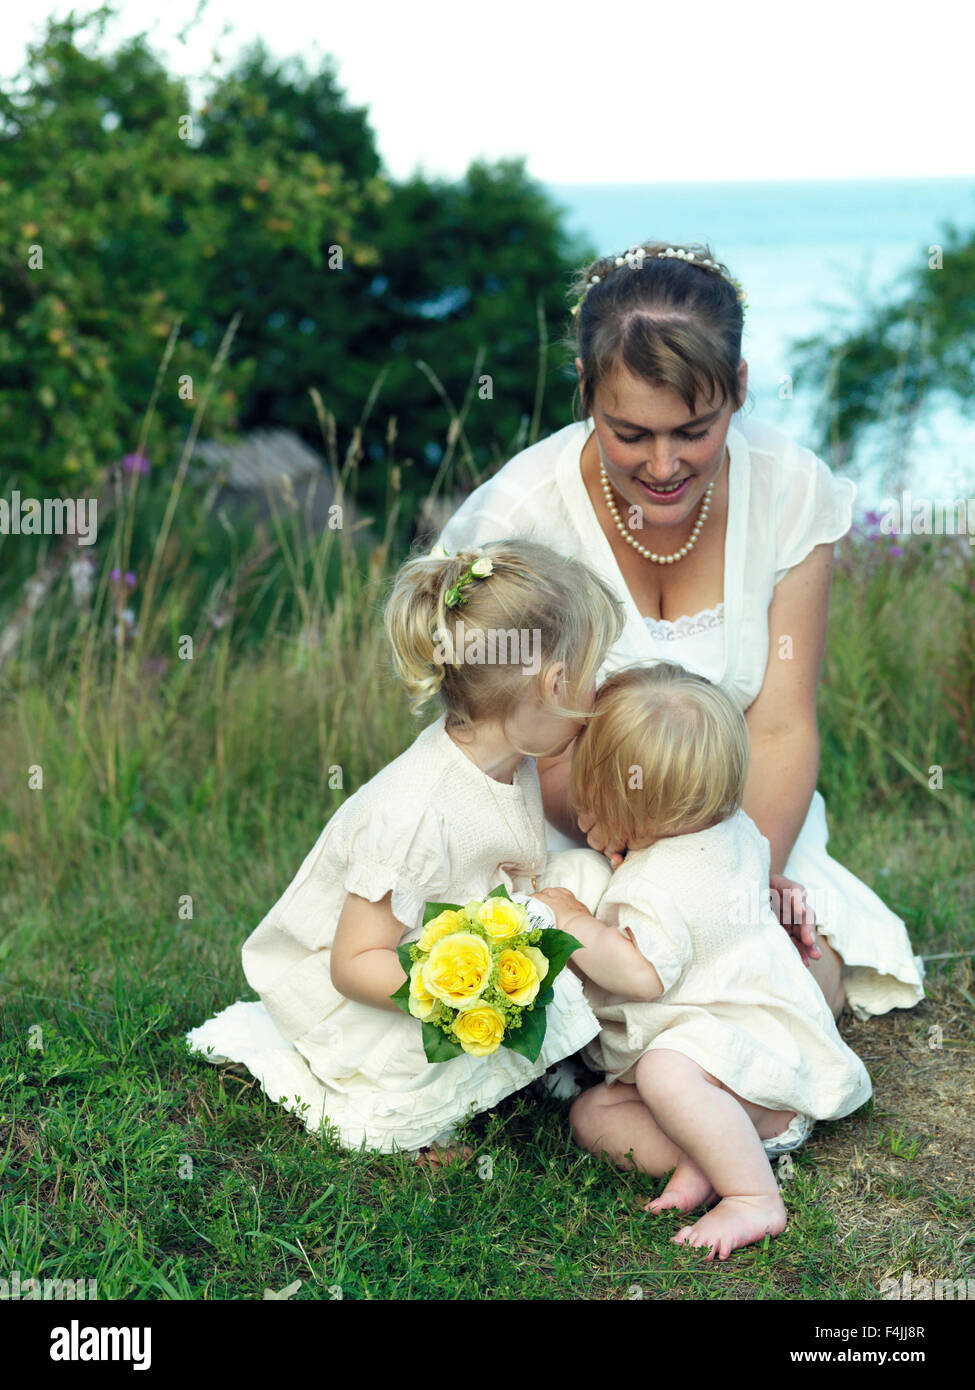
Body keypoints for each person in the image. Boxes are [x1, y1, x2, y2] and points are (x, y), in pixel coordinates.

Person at [437, 239, 924, 1024]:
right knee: (574, 984)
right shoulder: (521, 516)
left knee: (798, 984)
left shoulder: (790, 487)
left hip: (736, 825)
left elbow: (780, 725)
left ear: (735, 389)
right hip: (566, 832)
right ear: (586, 390)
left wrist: (741, 877)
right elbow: (512, 743)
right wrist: (630, 870)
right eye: (629, 433)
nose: (663, 466)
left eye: (693, 430)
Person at [185, 538, 662, 1156]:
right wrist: (470, 993)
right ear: (552, 685)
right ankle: (417, 1113)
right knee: (545, 922)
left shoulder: (506, 758)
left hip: (455, 933)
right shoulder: (415, 813)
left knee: (584, 879)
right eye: (591, 676)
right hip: (383, 995)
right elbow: (356, 961)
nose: (596, 696)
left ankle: (597, 1042)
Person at [534, 663, 872, 1260]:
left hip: (743, 1080)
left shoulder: (661, 883)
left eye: (590, 801)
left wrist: (574, 920)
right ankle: (710, 1152)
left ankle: (752, 1196)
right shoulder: (733, 831)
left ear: (625, 806)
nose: (581, 815)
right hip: (748, 1070)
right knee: (593, 1113)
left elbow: (641, 974)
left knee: (665, 1070)